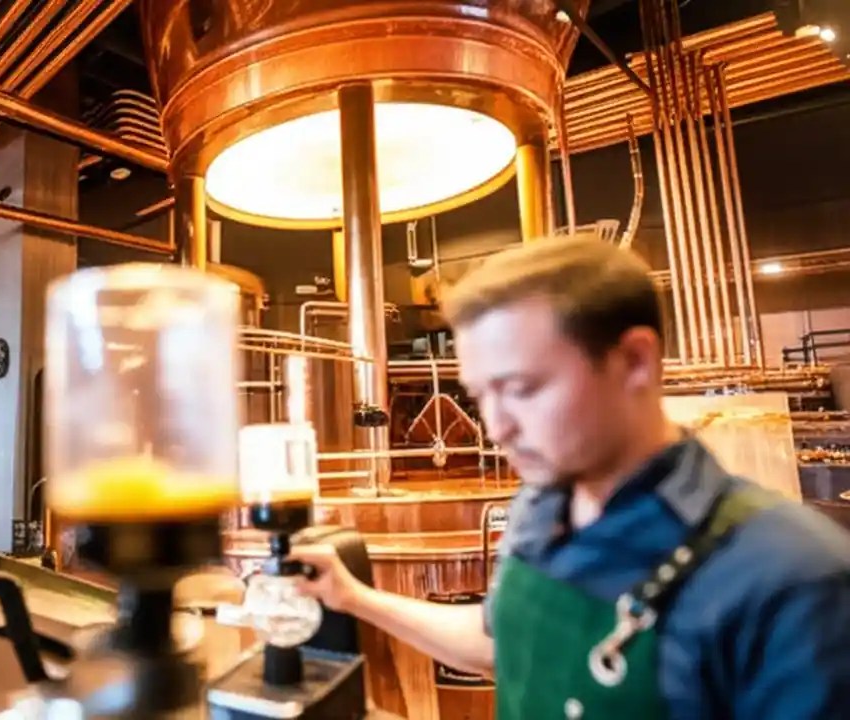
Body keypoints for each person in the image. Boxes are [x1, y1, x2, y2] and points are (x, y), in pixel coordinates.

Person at [290, 239, 850, 719]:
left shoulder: (791, 576)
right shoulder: (539, 510)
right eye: (482, 394)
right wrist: (352, 596)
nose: (496, 427)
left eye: (524, 388)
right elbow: (499, 643)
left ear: (635, 362)